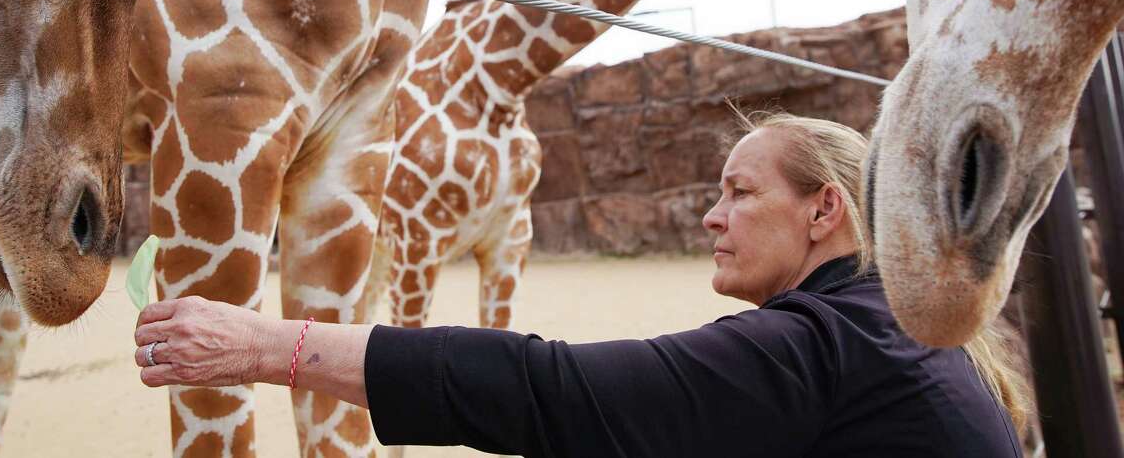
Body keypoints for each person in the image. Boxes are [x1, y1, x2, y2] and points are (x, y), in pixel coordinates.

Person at [134, 113, 1028, 457]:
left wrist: (264, 344)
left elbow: (548, 389)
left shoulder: (817, 342)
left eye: (740, 193)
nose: (711, 217)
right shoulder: (889, 324)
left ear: (824, 209)